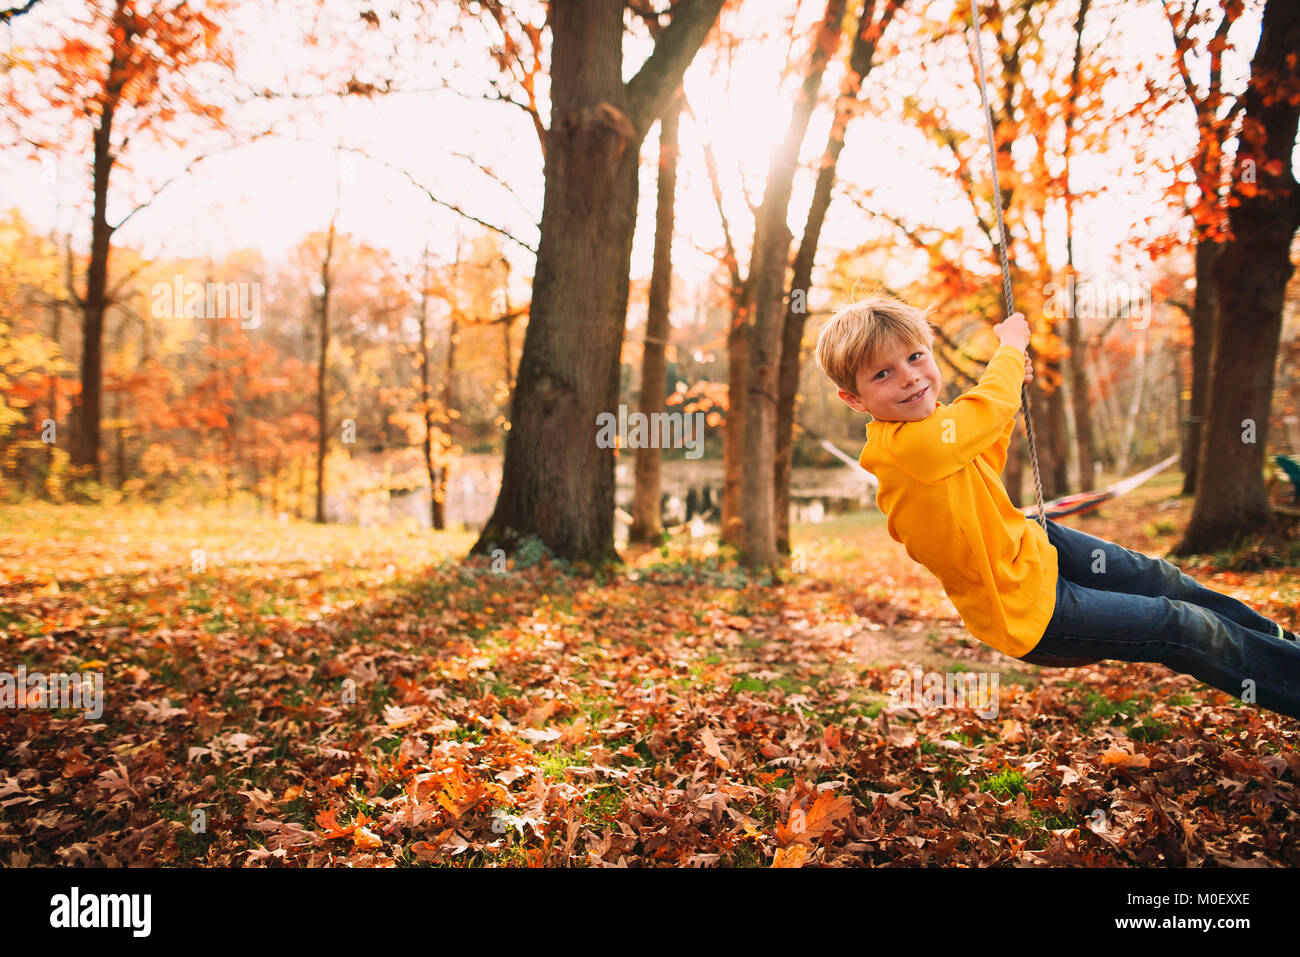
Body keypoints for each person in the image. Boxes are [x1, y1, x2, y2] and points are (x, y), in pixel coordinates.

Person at [814, 289, 1300, 720]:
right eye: (882, 373)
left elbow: (984, 449)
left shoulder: (932, 430)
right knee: (1178, 624)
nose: (908, 377)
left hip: (1031, 544)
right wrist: (1009, 350)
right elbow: (981, 414)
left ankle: (1282, 646)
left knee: (1161, 578)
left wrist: (1007, 390)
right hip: (1027, 608)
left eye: (915, 356)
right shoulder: (906, 447)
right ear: (854, 400)